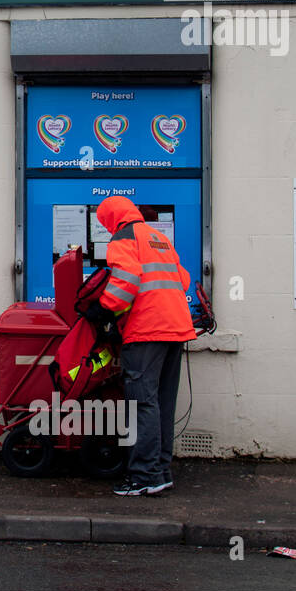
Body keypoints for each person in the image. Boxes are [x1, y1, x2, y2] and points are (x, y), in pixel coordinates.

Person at [94, 195, 197, 496]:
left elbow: (126, 279)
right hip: (175, 328)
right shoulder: (156, 236)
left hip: (147, 330)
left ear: (112, 218)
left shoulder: (124, 237)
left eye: (104, 222)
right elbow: (183, 278)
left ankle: (143, 476)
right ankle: (161, 471)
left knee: (142, 403)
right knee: (162, 403)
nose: (106, 227)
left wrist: (106, 308)